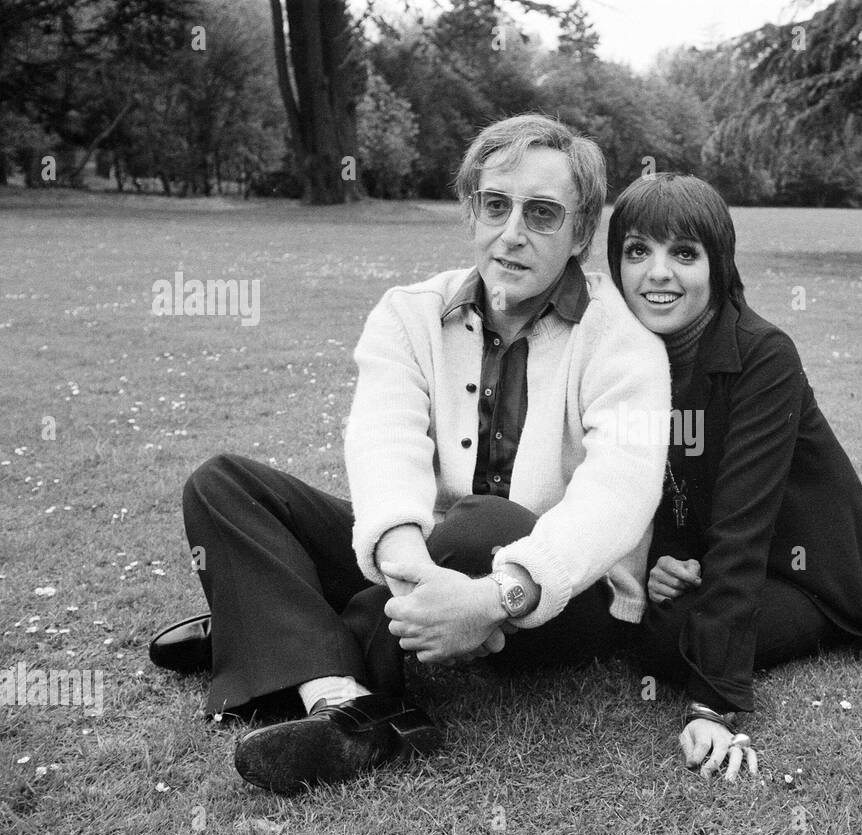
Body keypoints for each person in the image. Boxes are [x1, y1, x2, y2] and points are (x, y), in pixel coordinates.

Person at [152, 115, 670, 793]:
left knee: (485, 520)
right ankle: (346, 700)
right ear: (472, 212)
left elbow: (618, 496)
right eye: (495, 205)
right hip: (432, 554)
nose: (512, 232)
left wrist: (495, 596)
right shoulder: (410, 312)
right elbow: (383, 439)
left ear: (580, 232)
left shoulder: (623, 341)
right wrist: (406, 564)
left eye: (542, 213)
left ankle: (264, 624)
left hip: (566, 593)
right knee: (221, 484)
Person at [607, 173, 862, 782]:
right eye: (638, 251)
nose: (658, 274)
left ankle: (817, 628)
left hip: (807, 573)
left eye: (684, 253)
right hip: (716, 560)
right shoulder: (631, 356)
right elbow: (656, 480)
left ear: (718, 265)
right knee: (641, 612)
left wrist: (712, 704)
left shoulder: (763, 354)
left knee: (668, 635)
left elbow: (745, 521)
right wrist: (666, 556)